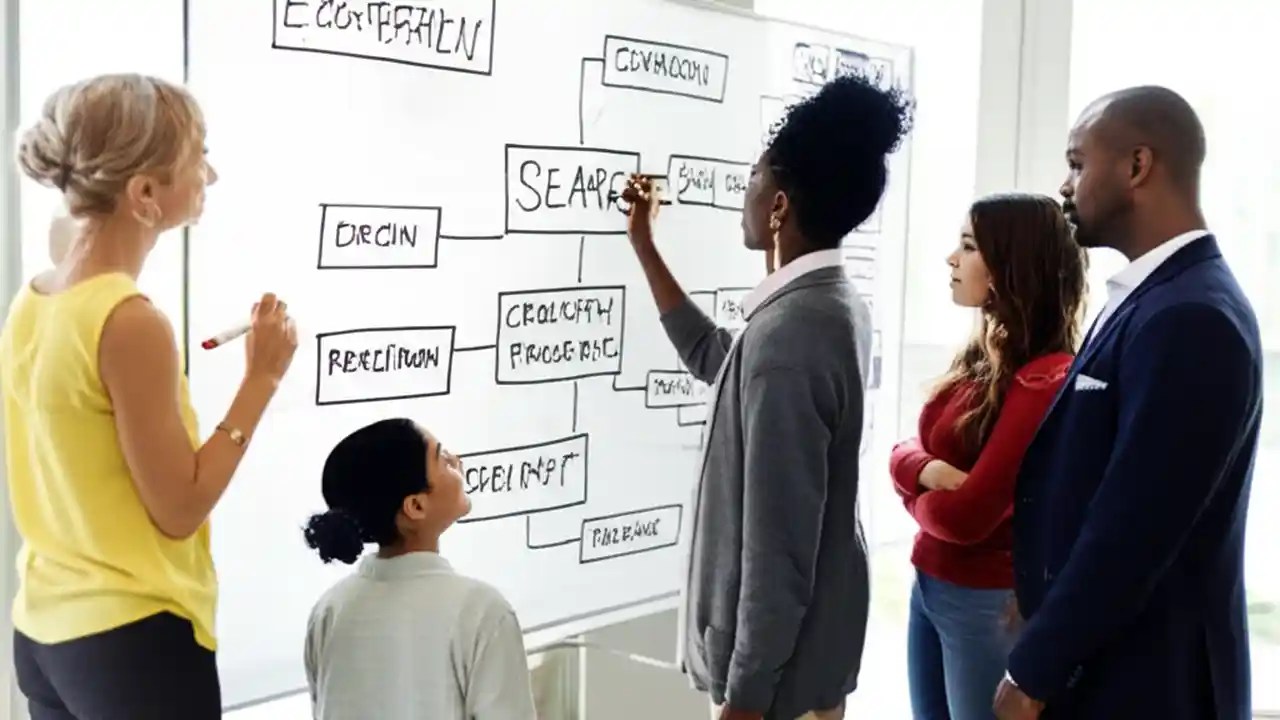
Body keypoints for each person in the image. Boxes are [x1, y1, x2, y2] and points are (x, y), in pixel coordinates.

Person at [0, 73, 298, 719]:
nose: (209, 177)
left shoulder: (35, 301)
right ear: (144, 194)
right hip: (131, 645)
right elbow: (179, 508)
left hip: (46, 633)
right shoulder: (130, 321)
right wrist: (260, 381)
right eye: (197, 158)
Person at [622, 71, 914, 720]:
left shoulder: (792, 336)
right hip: (803, 664)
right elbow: (715, 359)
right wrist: (644, 246)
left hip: (778, 684)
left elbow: (779, 548)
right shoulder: (822, 308)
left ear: (779, 204)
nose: (744, 196)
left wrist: (747, 699)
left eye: (753, 180)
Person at [993, 86, 1262, 720]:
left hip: (1148, 683)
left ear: (1138, 166)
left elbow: (1137, 525)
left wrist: (1035, 669)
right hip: (1112, 664)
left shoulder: (1193, 316)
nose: (1064, 185)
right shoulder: (1149, 296)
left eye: (1078, 163)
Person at [890, 193, 1086, 720]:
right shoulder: (980, 360)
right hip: (931, 586)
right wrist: (924, 469)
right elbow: (902, 451)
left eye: (969, 246)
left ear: (1008, 267)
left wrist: (913, 487)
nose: (952, 259)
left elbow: (968, 517)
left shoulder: (1046, 377)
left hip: (984, 603)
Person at [302, 418, 537, 720]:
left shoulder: (329, 610)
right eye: (442, 458)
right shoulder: (481, 610)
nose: (457, 461)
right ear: (416, 507)